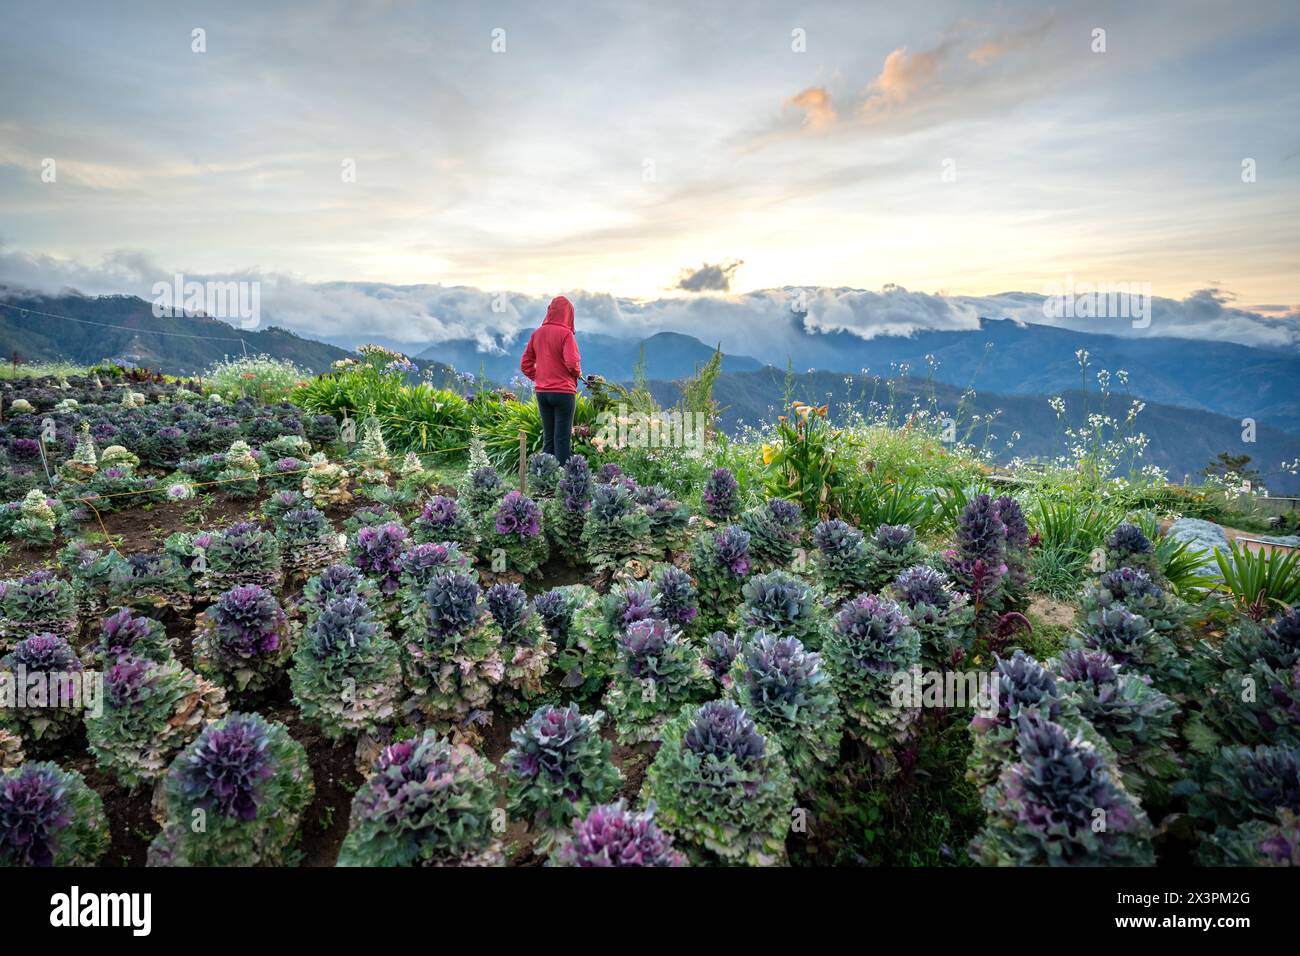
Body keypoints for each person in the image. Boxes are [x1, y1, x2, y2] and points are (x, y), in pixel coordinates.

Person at [520, 295, 581, 464]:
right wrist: (577, 373)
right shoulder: (567, 334)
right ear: (569, 314)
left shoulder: (537, 333)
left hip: (542, 393)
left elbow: (525, 364)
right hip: (563, 393)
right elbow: (572, 363)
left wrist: (539, 377)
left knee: (549, 439)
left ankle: (544, 478)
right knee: (562, 438)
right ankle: (563, 482)